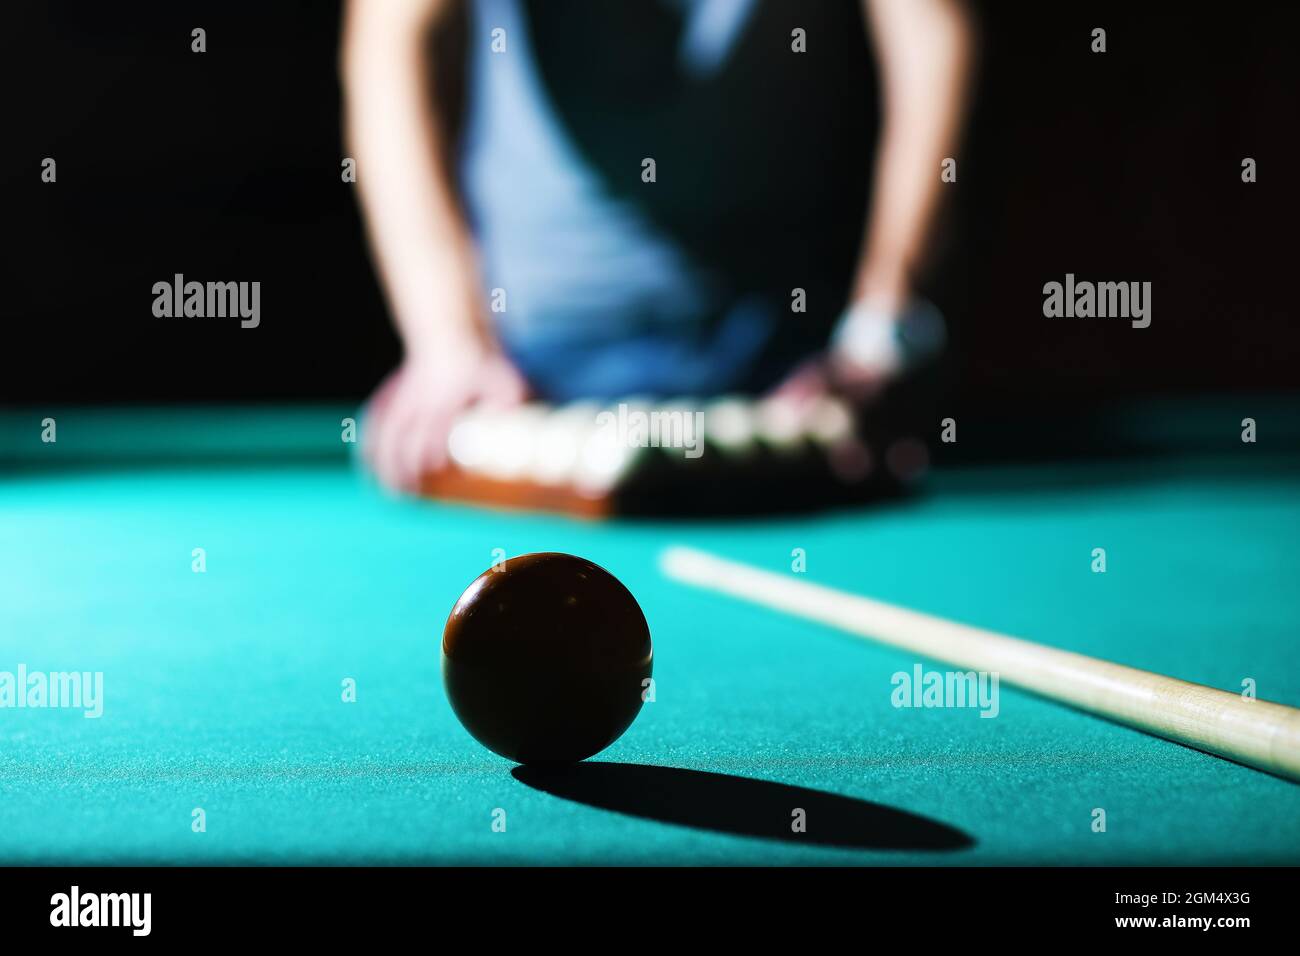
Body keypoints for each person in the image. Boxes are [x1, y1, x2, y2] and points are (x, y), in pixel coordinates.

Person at [343, 0, 975, 491]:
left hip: (799, 390)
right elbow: (392, 31)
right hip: (521, 387)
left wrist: (886, 318)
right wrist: (448, 338)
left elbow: (931, 28)